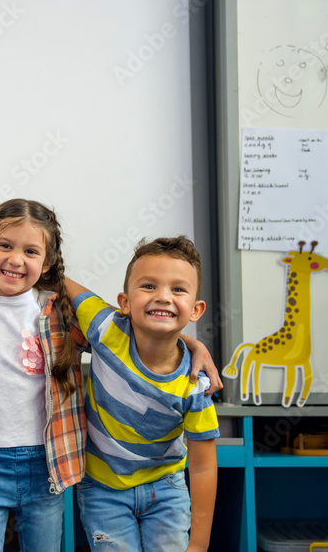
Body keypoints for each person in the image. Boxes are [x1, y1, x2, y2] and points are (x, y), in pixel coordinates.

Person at [65, 236, 219, 552]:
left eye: (178, 289)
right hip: (102, 489)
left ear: (196, 309)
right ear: (124, 301)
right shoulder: (106, 328)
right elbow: (50, 272)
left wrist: (199, 545)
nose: (163, 297)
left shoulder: (194, 382)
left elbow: (203, 467)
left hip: (166, 490)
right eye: (148, 286)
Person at [0, 199, 84, 552]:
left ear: (48, 262)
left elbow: (115, 331)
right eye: (4, 246)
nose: (15, 259)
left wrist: (193, 346)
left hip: (45, 461)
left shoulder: (56, 308)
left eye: (30, 251)